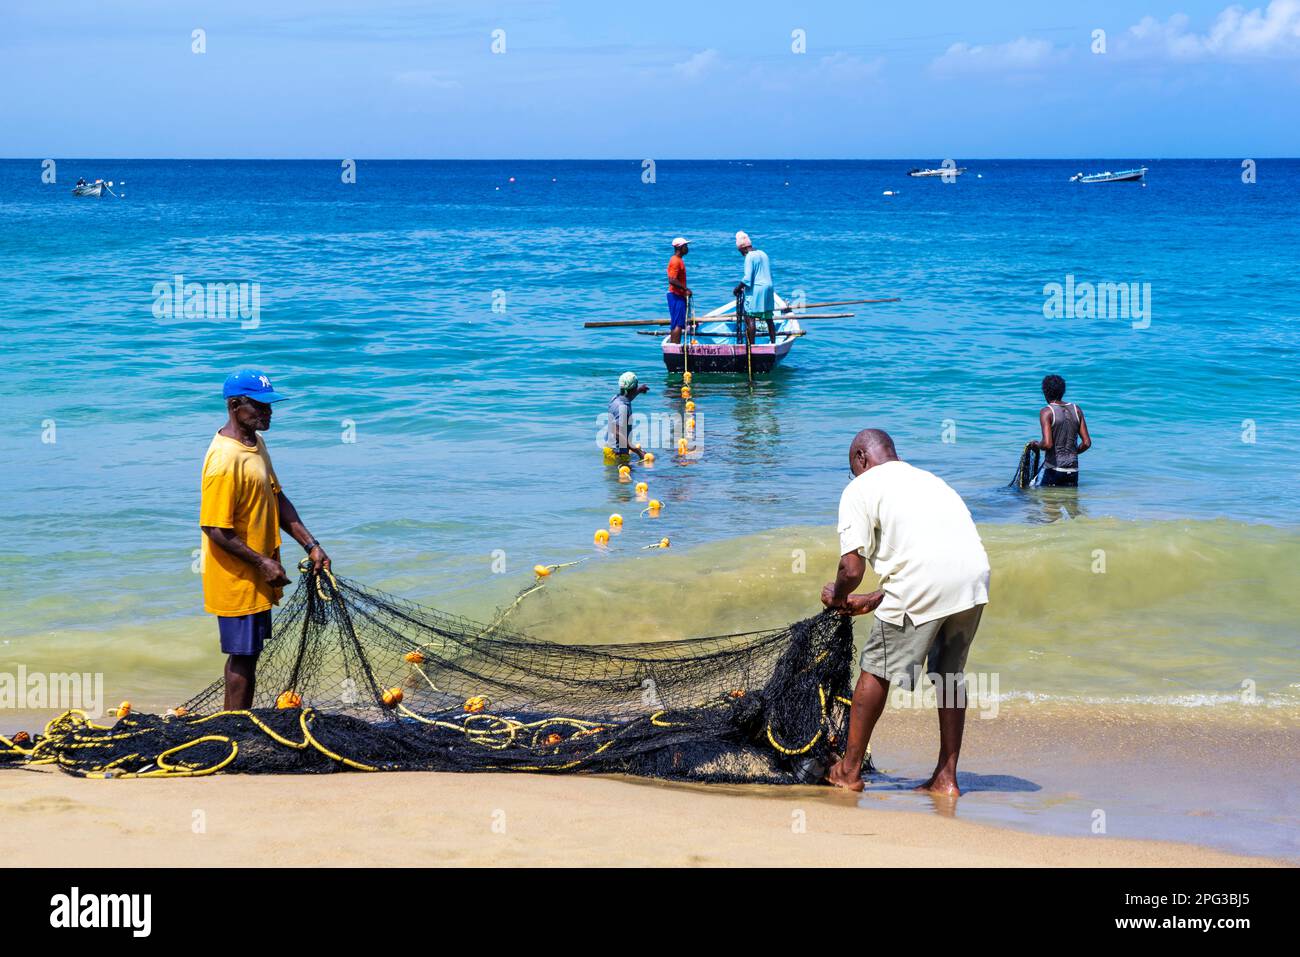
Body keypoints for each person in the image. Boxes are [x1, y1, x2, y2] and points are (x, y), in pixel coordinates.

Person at [821, 429, 990, 795]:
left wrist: (838, 595)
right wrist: (874, 598)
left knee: (876, 668)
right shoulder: (930, 481)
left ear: (862, 458)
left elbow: (851, 569)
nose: (855, 476)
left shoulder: (860, 489)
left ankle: (848, 772)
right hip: (974, 579)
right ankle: (946, 778)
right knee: (949, 676)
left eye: (854, 468)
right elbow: (931, 556)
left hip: (926, 581)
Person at [200, 369, 330, 710]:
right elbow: (214, 529)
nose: (268, 413)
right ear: (234, 405)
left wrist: (311, 545)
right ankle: (233, 731)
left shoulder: (255, 444)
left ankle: (233, 725)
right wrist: (262, 562)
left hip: (258, 571)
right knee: (242, 656)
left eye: (270, 406)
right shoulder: (223, 460)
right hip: (236, 576)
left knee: (250, 653)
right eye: (260, 406)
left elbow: (278, 499)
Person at [1031, 375, 1091, 487]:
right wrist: (1072, 453)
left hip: (1053, 469)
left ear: (1045, 392)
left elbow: (1048, 444)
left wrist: (1037, 445)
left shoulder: (1046, 412)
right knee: (1071, 503)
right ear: (1063, 391)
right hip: (1073, 471)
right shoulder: (1076, 410)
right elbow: (1087, 443)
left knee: (1049, 503)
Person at [732, 231, 776, 343]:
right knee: (769, 318)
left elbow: (747, 278)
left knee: (750, 317)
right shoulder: (763, 253)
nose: (741, 253)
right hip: (769, 287)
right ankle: (773, 343)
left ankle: (752, 346)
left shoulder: (749, 256)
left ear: (742, 248)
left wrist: (737, 289)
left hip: (757, 289)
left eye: (740, 251)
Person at [606, 371, 650, 461]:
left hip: (610, 449)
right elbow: (616, 432)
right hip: (617, 453)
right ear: (633, 388)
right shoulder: (623, 408)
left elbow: (628, 397)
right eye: (637, 385)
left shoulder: (616, 398)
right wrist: (638, 451)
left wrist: (639, 390)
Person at [666, 237, 692, 345]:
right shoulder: (676, 261)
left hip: (677, 295)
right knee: (678, 324)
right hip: (676, 296)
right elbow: (672, 279)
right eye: (686, 246)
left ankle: (673, 345)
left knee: (676, 322)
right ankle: (675, 347)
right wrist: (685, 289)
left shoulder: (678, 260)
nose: (687, 248)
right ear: (680, 248)